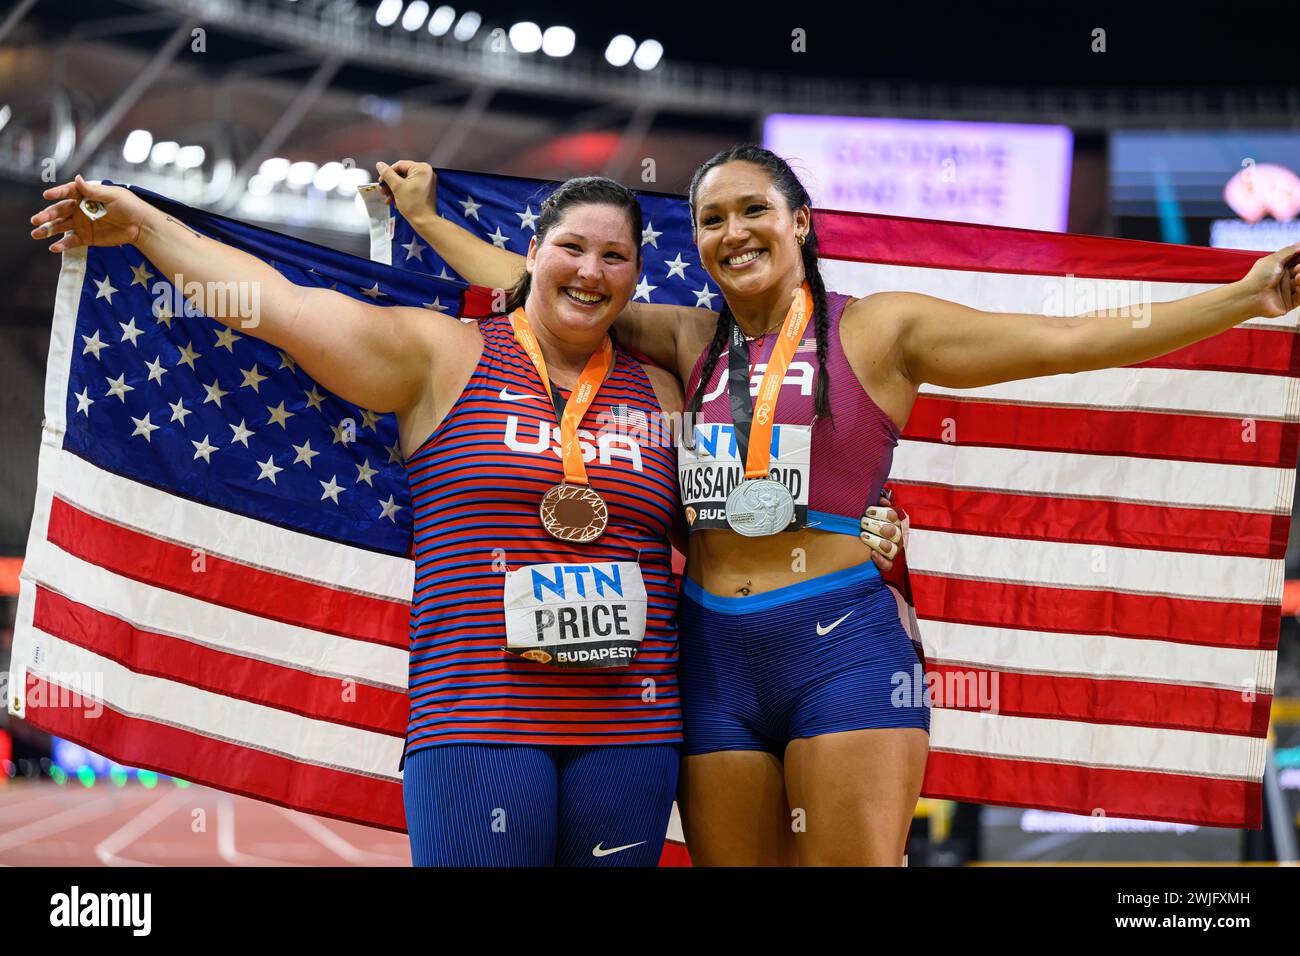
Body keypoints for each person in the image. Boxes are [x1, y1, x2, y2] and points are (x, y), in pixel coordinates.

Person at [381, 146, 1300, 866]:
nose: (733, 232)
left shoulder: (882, 329)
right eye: (711, 219)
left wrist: (1241, 298)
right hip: (706, 660)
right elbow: (544, 280)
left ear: (800, 223)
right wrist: (423, 219)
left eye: (753, 211)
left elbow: (1067, 341)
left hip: (843, 649)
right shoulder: (685, 335)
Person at [30, 173, 697, 867]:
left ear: (637, 275)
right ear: (532, 252)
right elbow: (279, 307)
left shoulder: (660, 389)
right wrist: (143, 227)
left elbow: (707, 534)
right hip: (478, 723)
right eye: (573, 247)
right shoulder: (444, 356)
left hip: (631, 731)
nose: (591, 271)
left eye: (614, 257)